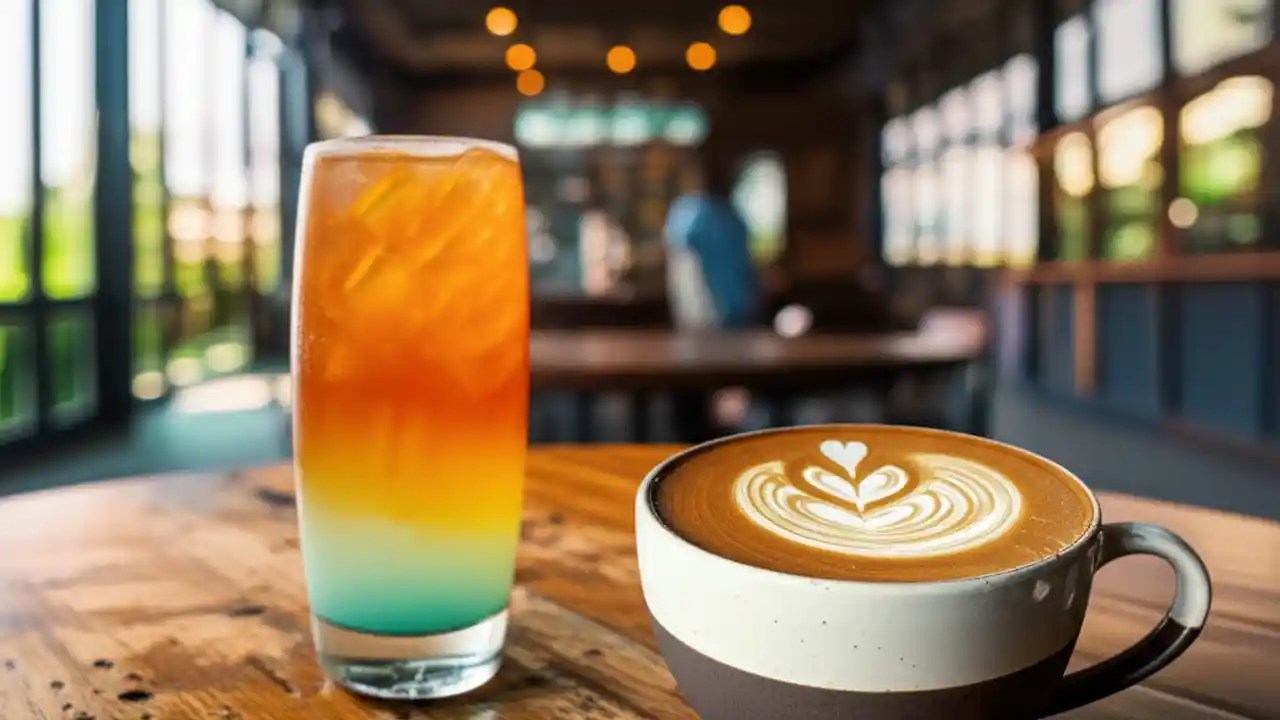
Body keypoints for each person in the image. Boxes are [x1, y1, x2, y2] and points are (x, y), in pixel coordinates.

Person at [664, 162, 760, 329]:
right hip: (730, 308)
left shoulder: (689, 212)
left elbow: (679, 261)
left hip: (711, 313)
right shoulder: (727, 214)